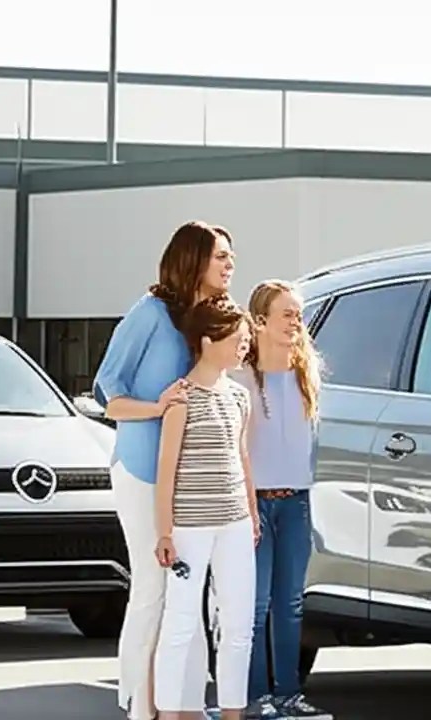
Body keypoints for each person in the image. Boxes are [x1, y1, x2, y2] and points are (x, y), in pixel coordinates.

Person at [93, 220, 237, 720]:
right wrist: (158, 407)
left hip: (190, 476)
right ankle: (138, 704)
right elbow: (108, 395)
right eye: (220, 255)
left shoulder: (206, 317)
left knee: (188, 595)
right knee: (152, 587)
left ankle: (180, 701)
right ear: (192, 258)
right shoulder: (149, 313)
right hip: (141, 471)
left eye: (229, 256)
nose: (229, 264)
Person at [152, 294, 260, 720]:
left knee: (238, 626)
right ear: (208, 340)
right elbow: (167, 470)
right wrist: (164, 531)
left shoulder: (238, 397)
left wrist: (251, 513)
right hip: (189, 530)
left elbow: (242, 457)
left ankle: (233, 712)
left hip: (234, 525)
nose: (244, 347)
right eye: (239, 338)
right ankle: (170, 712)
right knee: (180, 623)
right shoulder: (181, 398)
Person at [234, 280, 330, 720]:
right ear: (260, 322)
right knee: (255, 606)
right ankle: (256, 699)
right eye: (286, 313)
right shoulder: (240, 381)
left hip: (296, 503)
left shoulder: (305, 377)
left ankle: (289, 693)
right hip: (253, 503)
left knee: (290, 604)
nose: (296, 321)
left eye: (299, 313)